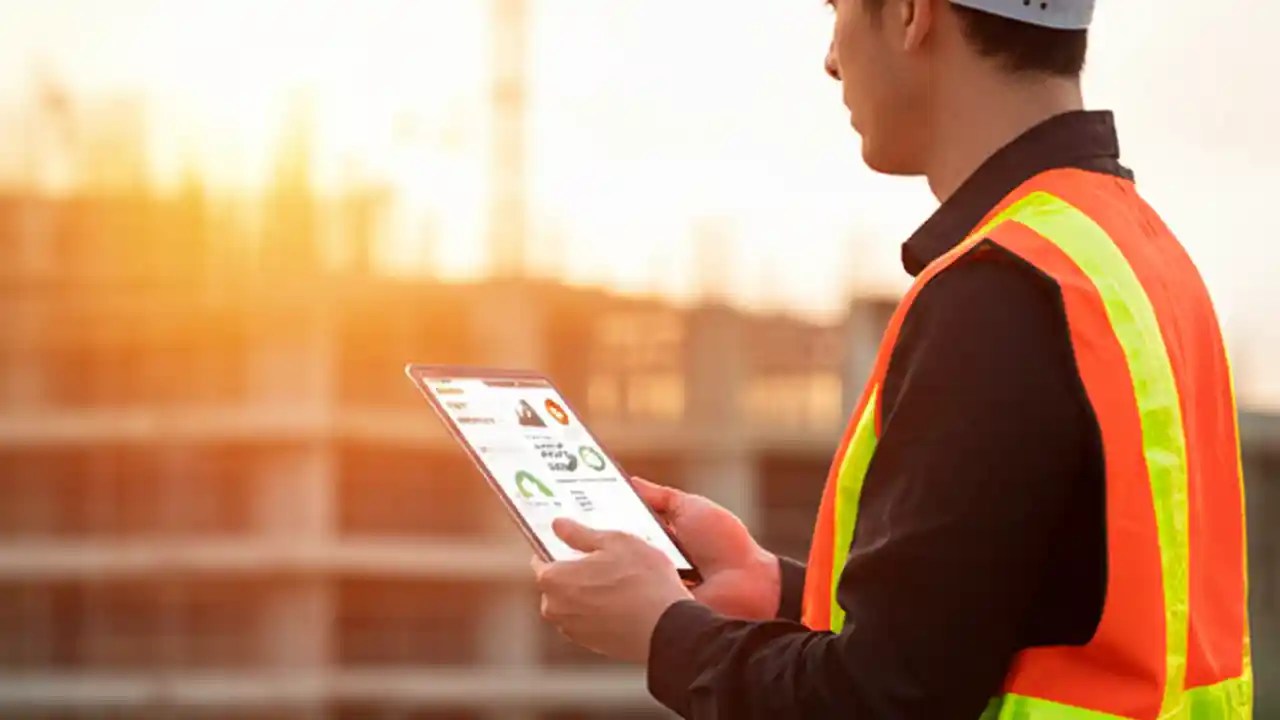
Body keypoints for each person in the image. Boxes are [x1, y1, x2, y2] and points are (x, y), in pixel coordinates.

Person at [531, 0, 1253, 717]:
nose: (831, 59)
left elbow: (880, 701)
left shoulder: (1000, 291)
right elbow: (991, 627)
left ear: (911, 14)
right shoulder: (1134, 257)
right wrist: (772, 589)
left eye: (836, 8)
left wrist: (667, 632)